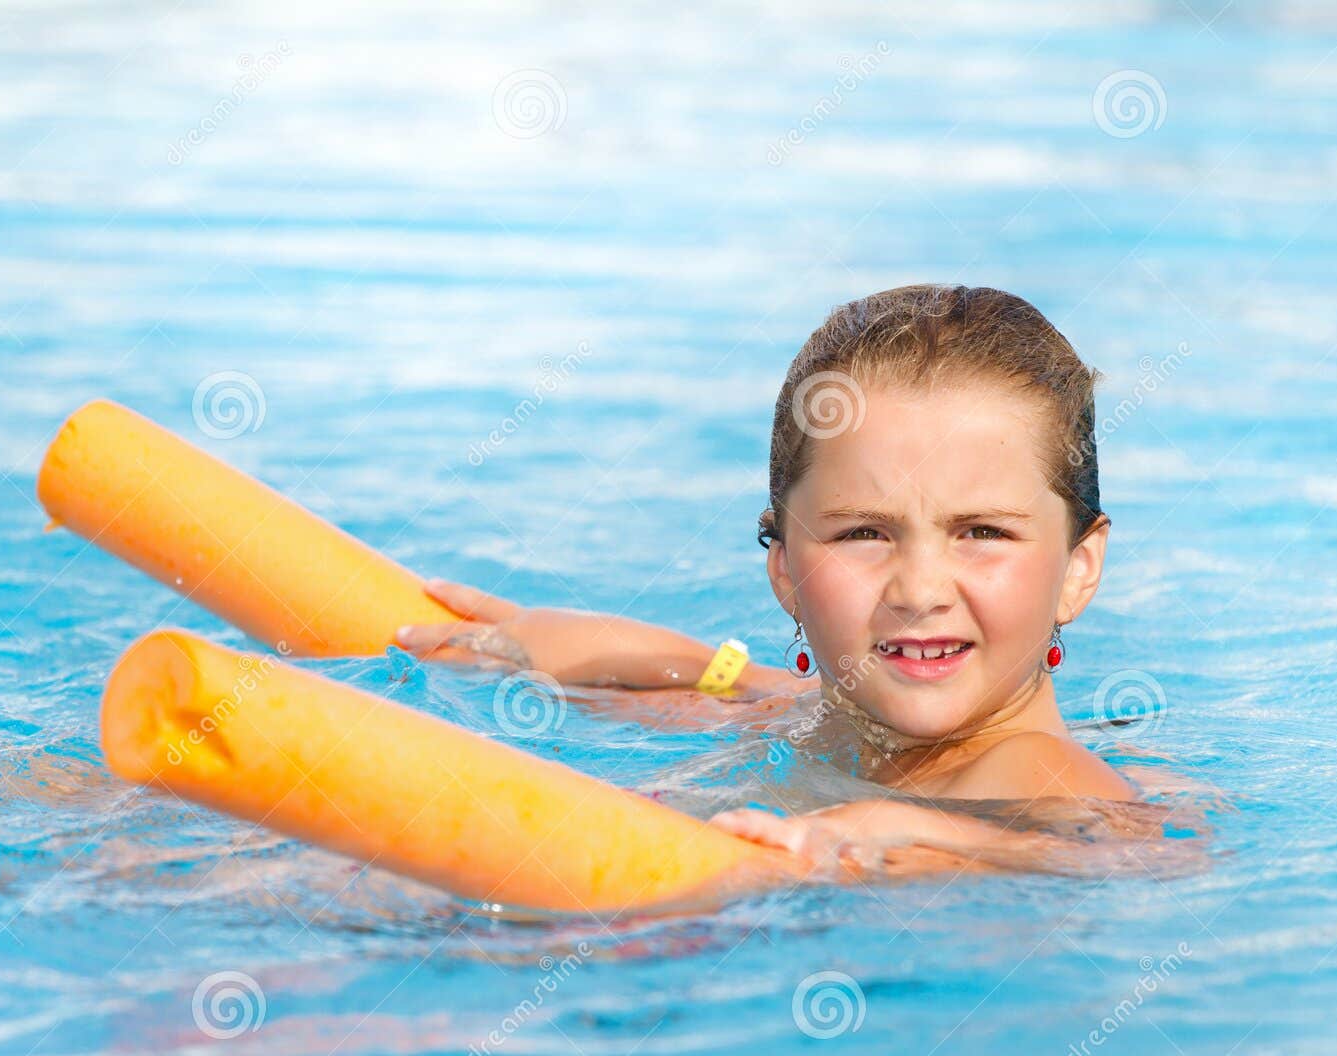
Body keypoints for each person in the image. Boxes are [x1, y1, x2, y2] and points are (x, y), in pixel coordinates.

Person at [395, 285, 1165, 882]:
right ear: (786, 571)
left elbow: (1141, 854)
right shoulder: (833, 718)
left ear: (1077, 569)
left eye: (982, 533)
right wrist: (534, 642)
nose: (919, 588)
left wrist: (929, 835)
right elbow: (726, 683)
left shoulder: (1030, 769)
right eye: (864, 532)